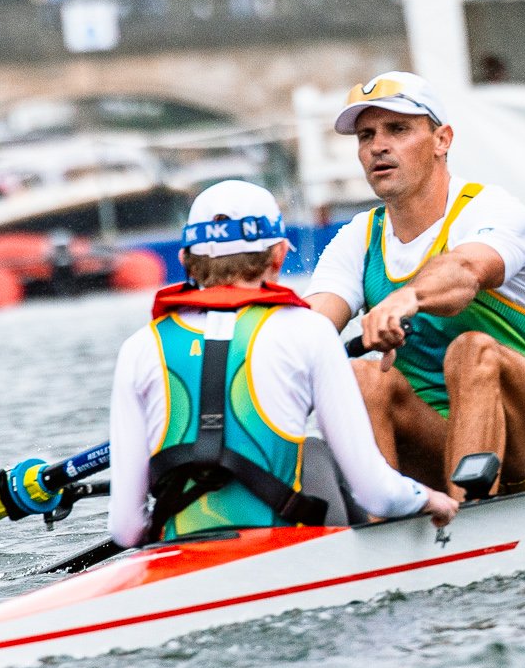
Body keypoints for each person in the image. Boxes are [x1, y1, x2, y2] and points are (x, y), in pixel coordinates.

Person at [107, 180, 454, 548]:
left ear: (185, 260)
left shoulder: (140, 348)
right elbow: (376, 494)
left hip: (182, 560)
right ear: (278, 254)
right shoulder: (309, 332)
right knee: (314, 452)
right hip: (289, 553)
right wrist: (432, 499)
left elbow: (125, 529)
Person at [302, 72, 525, 500]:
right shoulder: (357, 238)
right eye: (366, 136)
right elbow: (310, 325)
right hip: (441, 437)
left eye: (398, 129)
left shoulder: (493, 209)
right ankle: (383, 525)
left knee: (473, 351)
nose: (377, 146)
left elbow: (465, 272)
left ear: (442, 139)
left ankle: (466, 522)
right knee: (361, 375)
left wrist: (409, 297)